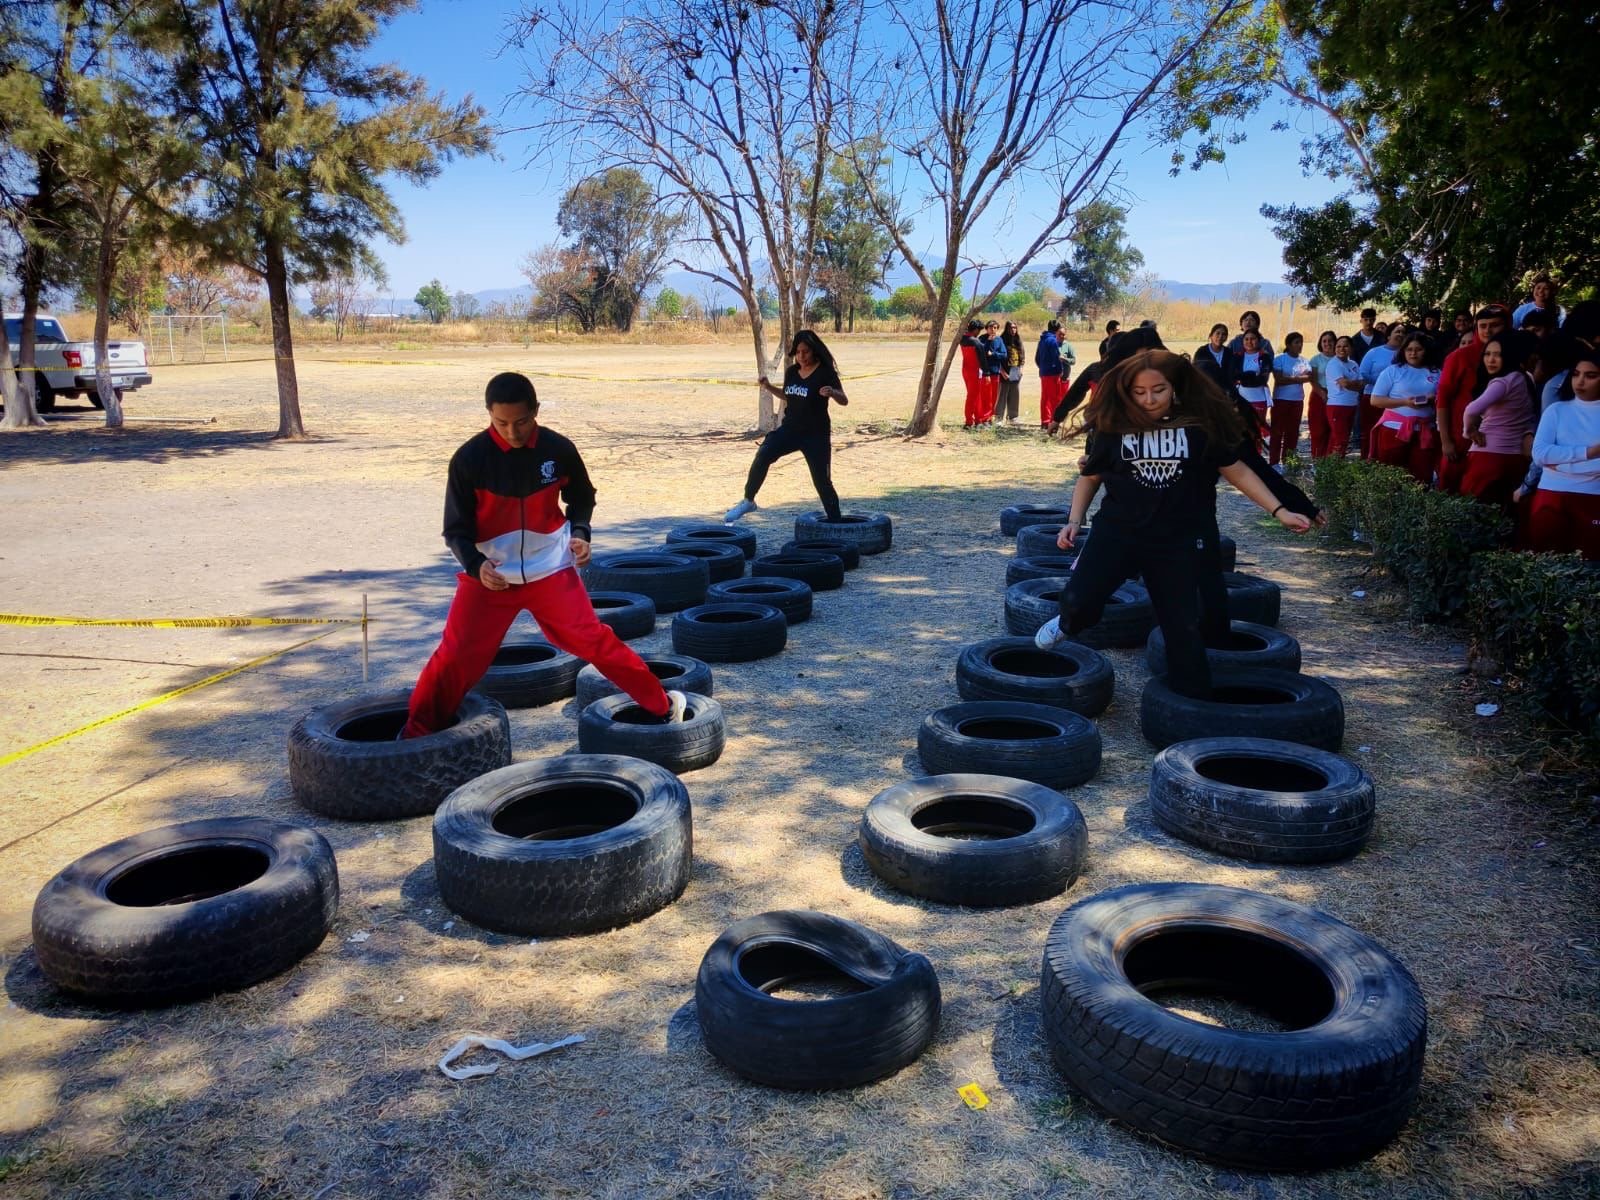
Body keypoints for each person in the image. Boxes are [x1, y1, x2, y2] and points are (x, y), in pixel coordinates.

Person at [403, 372, 685, 738]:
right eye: (501, 423)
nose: (512, 432)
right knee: (457, 655)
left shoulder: (558, 449)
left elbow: (582, 497)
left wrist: (580, 533)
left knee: (594, 640)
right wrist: (476, 565)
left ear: (535, 410)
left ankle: (663, 705)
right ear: (489, 414)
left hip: (550, 570)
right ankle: (415, 736)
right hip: (491, 577)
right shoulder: (469, 459)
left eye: (521, 422)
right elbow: (455, 530)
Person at [1033, 349, 1312, 701]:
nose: (1149, 399)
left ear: (1174, 387)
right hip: (1118, 532)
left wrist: (1279, 510)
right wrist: (1074, 520)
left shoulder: (1198, 428)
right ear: (1127, 392)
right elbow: (1091, 476)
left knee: (1183, 626)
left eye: (1158, 390)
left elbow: (1238, 471)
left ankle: (1193, 703)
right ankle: (1067, 623)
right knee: (1077, 601)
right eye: (1140, 392)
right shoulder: (1114, 426)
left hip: (1177, 540)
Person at [727, 330, 847, 520]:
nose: (801, 356)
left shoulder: (825, 373)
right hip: (790, 430)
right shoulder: (792, 372)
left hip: (816, 435)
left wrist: (832, 392)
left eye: (806, 352)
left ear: (814, 351)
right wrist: (768, 387)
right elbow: (788, 395)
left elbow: (844, 400)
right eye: (798, 352)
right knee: (764, 453)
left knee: (822, 481)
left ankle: (836, 523)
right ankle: (748, 500)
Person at [1526, 349, 1600, 559]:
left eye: (1590, 375)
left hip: (1593, 498)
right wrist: (1590, 453)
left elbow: (1549, 456)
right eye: (1576, 374)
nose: (1580, 381)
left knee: (1589, 567)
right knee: (1545, 565)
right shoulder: (1556, 410)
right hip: (1552, 495)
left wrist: (1559, 464)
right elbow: (1540, 454)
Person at [1437, 305, 1510, 493]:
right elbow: (1443, 400)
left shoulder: (1515, 357)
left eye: (1495, 325)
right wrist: (1446, 441)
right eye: (1483, 325)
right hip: (1460, 437)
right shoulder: (1459, 357)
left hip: (1501, 440)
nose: (1488, 331)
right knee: (1450, 490)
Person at [1461, 333, 1537, 508]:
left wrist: (1469, 431)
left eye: (1498, 355)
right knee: (1504, 512)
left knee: (1474, 509)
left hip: (1488, 455)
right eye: (1487, 354)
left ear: (1509, 355)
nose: (1491, 360)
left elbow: (1471, 409)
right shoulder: (1526, 377)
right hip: (1516, 456)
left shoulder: (1502, 382)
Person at [1370, 334, 1441, 485]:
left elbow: (1444, 400)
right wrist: (1404, 402)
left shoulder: (1436, 372)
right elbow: (1375, 400)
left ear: (1426, 350)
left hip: (1425, 431)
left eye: (1418, 349)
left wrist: (1433, 399)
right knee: (1391, 476)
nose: (1413, 353)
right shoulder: (1392, 371)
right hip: (1394, 430)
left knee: (1422, 477)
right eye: (1409, 349)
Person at [1356, 323, 1407, 458]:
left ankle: (1384, 462)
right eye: (1397, 331)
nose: (1400, 335)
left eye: (1403, 332)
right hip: (1372, 397)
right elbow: (1363, 373)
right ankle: (1367, 460)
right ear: (1389, 335)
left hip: (1396, 401)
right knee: (1369, 431)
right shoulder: (1374, 352)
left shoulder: (1407, 354)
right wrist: (1383, 383)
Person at [1269, 332, 1313, 468]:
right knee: (1277, 431)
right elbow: (1279, 380)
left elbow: (1309, 377)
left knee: (1292, 432)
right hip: (1281, 399)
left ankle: (1288, 461)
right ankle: (1274, 462)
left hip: (1297, 400)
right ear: (1288, 345)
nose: (1299, 345)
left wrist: (1290, 378)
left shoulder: (1304, 361)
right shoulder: (1280, 359)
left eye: (1301, 342)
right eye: (1296, 342)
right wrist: (1298, 378)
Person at [1323, 335, 1363, 457]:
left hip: (1351, 405)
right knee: (1339, 439)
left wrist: (1351, 384)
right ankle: (1334, 465)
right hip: (1337, 406)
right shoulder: (1334, 364)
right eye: (1338, 346)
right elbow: (1344, 384)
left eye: (1345, 346)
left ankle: (1331, 465)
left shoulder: (1353, 364)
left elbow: (1362, 384)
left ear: (1351, 348)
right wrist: (1353, 383)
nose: (1341, 349)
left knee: (1342, 438)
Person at [1228, 328, 1273, 437]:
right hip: (1241, 398)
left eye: (1253, 339)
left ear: (1258, 340)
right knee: (1241, 430)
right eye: (1246, 339)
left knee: (1257, 430)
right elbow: (1232, 376)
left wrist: (1243, 377)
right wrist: (1252, 375)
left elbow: (1263, 378)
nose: (1249, 342)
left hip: (1259, 398)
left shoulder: (1264, 356)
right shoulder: (1237, 356)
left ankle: (1259, 448)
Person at [1307, 330, 1338, 458]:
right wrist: (1321, 393)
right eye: (1324, 341)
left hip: (1336, 396)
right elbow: (1312, 379)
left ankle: (1330, 460)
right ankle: (1317, 458)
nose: (1327, 343)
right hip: (1318, 395)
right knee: (1318, 430)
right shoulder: (1316, 359)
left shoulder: (1339, 358)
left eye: (1330, 341)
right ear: (1320, 343)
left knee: (1334, 429)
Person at [1035, 320, 1067, 428]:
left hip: (1044, 373)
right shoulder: (1053, 340)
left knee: (1045, 398)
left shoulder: (1042, 340)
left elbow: (1037, 358)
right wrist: (1060, 370)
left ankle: (1045, 421)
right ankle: (1054, 421)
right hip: (1053, 374)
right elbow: (1056, 357)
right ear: (1057, 330)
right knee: (1055, 398)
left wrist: (1042, 368)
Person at [1193, 323, 1234, 392]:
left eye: (1223, 334)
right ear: (1211, 335)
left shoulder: (1229, 353)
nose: (1220, 336)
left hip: (1225, 391)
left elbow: (1231, 374)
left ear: (1226, 338)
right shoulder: (1202, 351)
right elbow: (1197, 371)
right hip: (1206, 390)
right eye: (1217, 333)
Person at [959, 319, 984, 428]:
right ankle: (969, 421)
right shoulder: (976, 342)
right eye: (979, 330)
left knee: (974, 395)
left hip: (965, 369)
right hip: (975, 371)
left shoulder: (962, 339)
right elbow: (982, 360)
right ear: (975, 330)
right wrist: (987, 373)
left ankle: (978, 419)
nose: (979, 333)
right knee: (973, 397)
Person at [998, 320, 1025, 423]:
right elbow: (997, 358)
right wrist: (1002, 371)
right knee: (1002, 394)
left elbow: (1022, 356)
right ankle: (998, 417)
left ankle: (1013, 417)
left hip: (1015, 369)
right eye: (1011, 328)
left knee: (1014, 394)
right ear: (1007, 329)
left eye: (1015, 327)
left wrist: (1021, 369)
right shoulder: (1001, 340)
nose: (1013, 330)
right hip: (1005, 369)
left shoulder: (1018, 340)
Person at [981, 320, 1007, 424]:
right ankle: (984, 418)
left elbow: (1004, 354)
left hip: (995, 372)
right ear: (986, 328)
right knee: (985, 396)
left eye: (995, 327)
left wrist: (994, 354)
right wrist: (988, 342)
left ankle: (990, 418)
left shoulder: (999, 339)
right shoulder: (982, 339)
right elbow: (982, 353)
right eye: (991, 327)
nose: (993, 329)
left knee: (994, 396)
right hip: (985, 373)